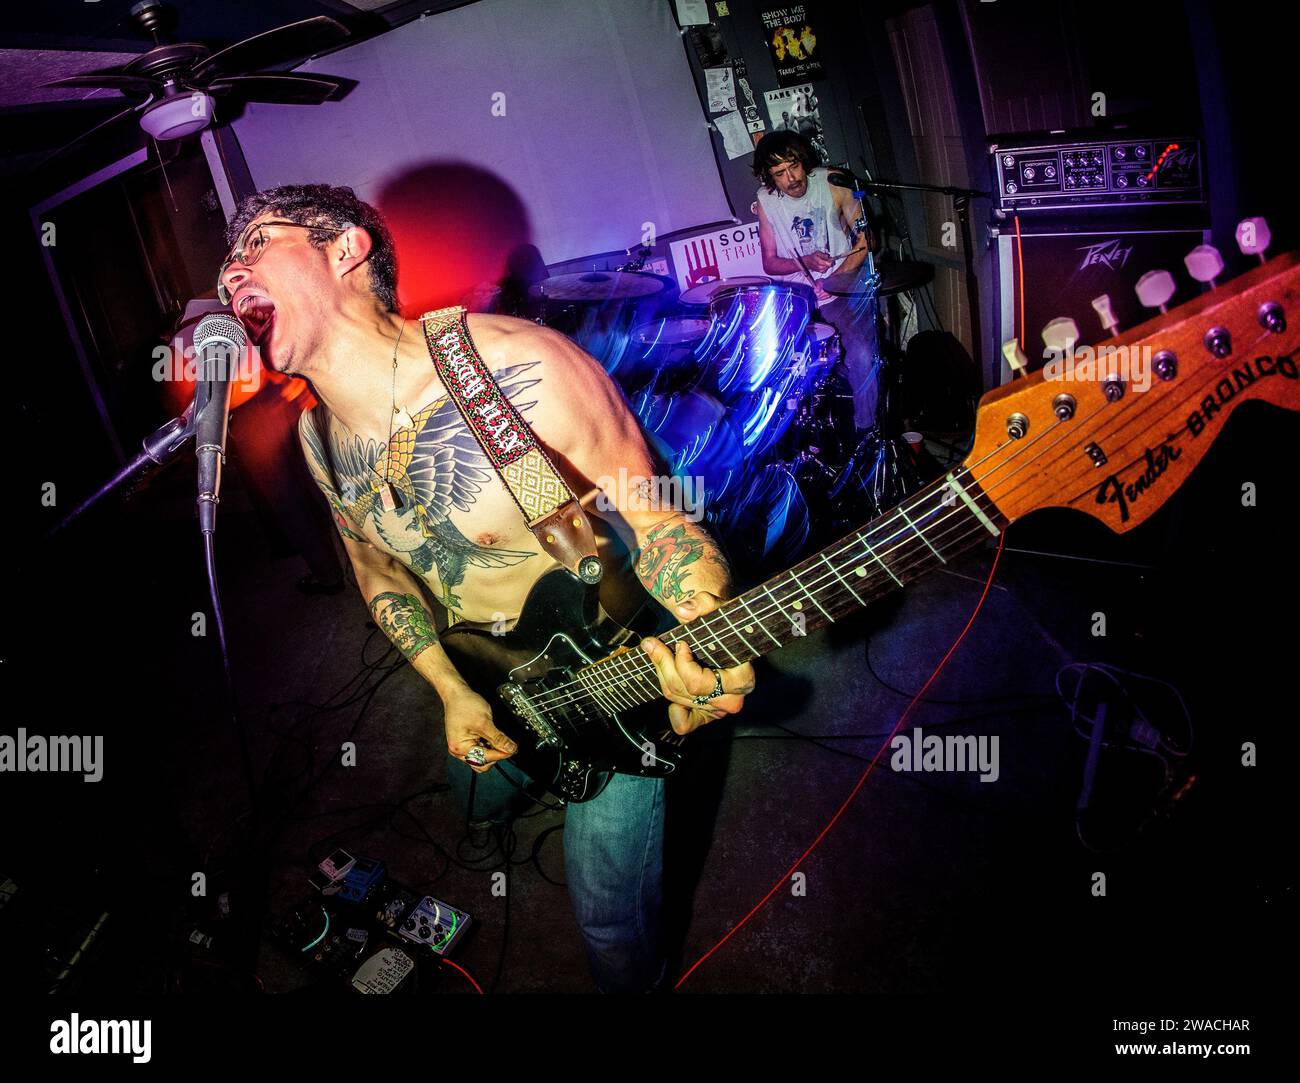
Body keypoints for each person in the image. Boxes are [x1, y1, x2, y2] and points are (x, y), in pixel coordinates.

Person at [217, 184, 755, 992]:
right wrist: (447, 689)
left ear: (345, 250)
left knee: (608, 919)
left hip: (610, 671)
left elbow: (659, 520)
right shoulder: (314, 437)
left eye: (256, 242)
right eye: (226, 265)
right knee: (477, 797)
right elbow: (375, 572)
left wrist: (706, 620)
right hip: (486, 671)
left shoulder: (512, 365)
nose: (231, 275)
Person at [752, 131, 880, 431]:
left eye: (794, 166)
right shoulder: (766, 201)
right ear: (769, 178)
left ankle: (866, 432)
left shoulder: (833, 183)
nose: (791, 178)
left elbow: (867, 240)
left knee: (862, 353)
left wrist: (835, 277)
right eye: (779, 173)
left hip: (844, 281)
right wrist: (805, 261)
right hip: (799, 291)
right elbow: (769, 262)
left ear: (803, 160)